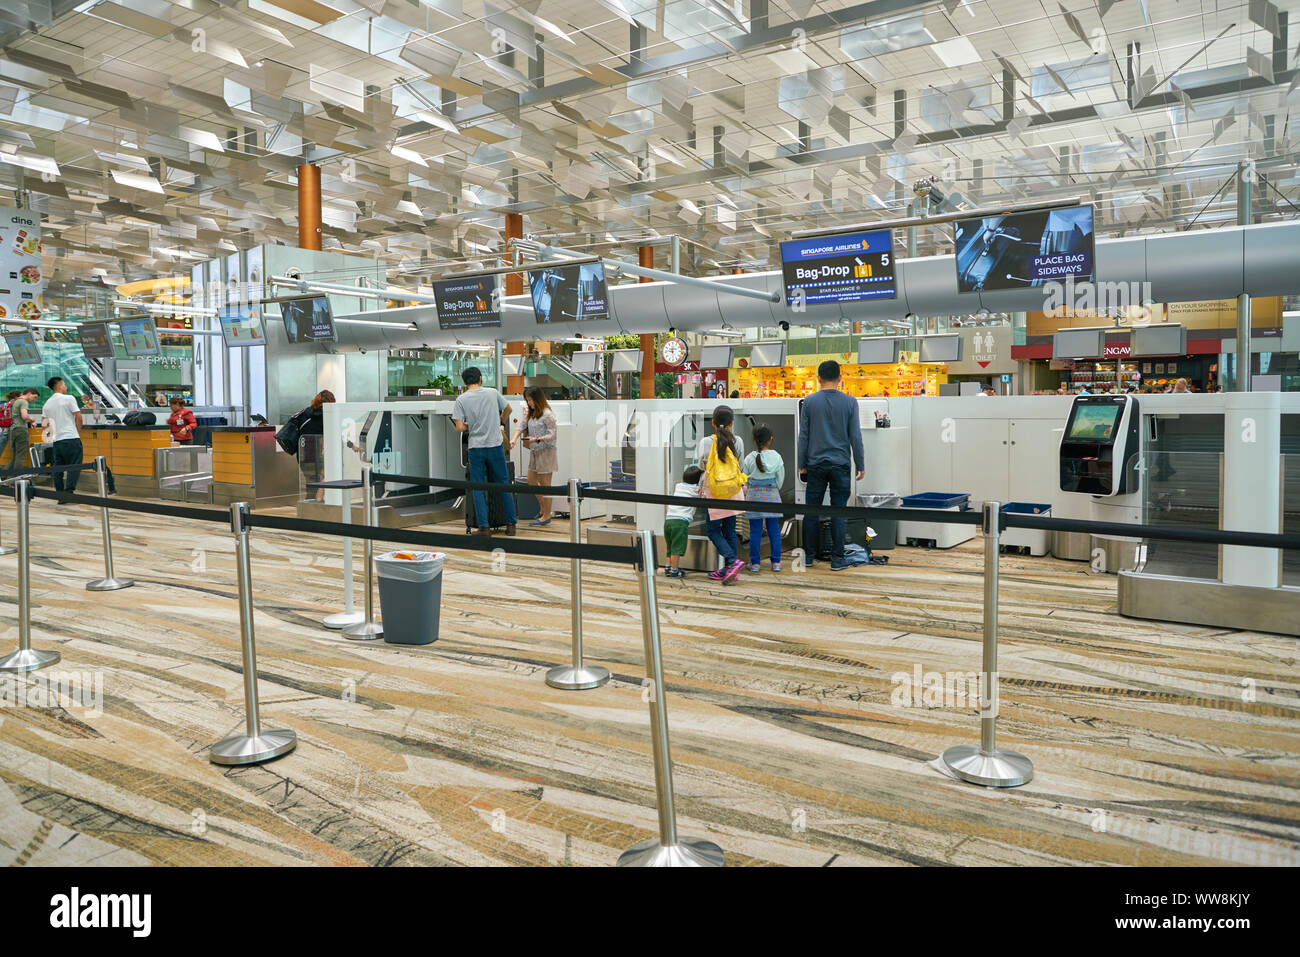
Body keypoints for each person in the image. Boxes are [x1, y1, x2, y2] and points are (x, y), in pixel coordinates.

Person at [798, 360, 864, 571]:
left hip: (815, 464)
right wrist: (860, 463)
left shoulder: (808, 402)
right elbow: (855, 436)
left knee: (811, 511)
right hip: (841, 465)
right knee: (839, 511)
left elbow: (804, 436)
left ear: (818, 379)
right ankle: (837, 559)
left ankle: (808, 557)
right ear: (840, 378)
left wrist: (801, 463)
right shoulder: (850, 402)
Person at [453, 366, 516, 536]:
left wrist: (470, 425)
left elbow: (459, 427)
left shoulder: (461, 399)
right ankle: (511, 525)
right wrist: (500, 421)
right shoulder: (492, 393)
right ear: (480, 378)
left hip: (476, 448)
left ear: (465, 382)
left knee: (478, 488)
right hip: (495, 446)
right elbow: (509, 409)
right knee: (504, 484)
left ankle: (484, 527)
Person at [699, 411, 747, 583]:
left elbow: (701, 467)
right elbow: (739, 466)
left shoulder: (706, 442)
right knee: (729, 531)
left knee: (712, 530)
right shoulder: (738, 441)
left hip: (714, 491)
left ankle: (732, 562)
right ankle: (729, 570)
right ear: (732, 423)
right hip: (732, 490)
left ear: (713, 423)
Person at [511, 386, 557, 527]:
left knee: (545, 484)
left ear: (537, 399)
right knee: (531, 481)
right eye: (527, 400)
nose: (529, 403)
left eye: (530, 400)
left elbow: (552, 435)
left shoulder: (547, 414)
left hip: (546, 452)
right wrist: (514, 439)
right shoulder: (531, 413)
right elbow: (521, 427)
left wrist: (537, 439)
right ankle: (544, 509)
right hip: (535, 452)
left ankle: (546, 515)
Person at [743, 424, 785, 572]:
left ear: (754, 439)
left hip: (754, 496)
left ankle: (755, 564)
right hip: (772, 495)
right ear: (771, 439)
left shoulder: (749, 458)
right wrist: (774, 490)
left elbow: (745, 479)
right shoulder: (777, 457)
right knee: (774, 530)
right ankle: (776, 563)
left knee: (755, 531)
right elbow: (780, 479)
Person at [289, 390, 334, 501]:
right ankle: (312, 508)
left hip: (302, 453)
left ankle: (310, 506)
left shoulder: (306, 412)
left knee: (311, 482)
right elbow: (336, 434)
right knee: (317, 483)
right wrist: (351, 445)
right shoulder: (325, 417)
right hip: (316, 456)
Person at [43, 376, 84, 496]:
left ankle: (60, 493)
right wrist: (77, 432)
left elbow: (45, 424)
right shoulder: (69, 398)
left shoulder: (47, 404)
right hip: (71, 438)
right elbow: (78, 416)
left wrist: (52, 435)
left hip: (57, 441)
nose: (66, 387)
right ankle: (69, 492)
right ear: (60, 385)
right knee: (74, 466)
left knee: (58, 468)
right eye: (65, 384)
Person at [663, 465, 703, 579]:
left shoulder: (678, 486)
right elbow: (702, 494)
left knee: (670, 547)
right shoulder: (695, 490)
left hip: (668, 520)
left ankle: (668, 568)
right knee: (677, 548)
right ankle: (675, 571)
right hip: (680, 522)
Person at [3, 387, 37, 469]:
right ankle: (17, 478)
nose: (34, 400)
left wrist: (30, 421)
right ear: (29, 393)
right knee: (20, 456)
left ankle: (3, 476)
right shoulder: (23, 402)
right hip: (21, 430)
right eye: (34, 397)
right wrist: (32, 419)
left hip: (13, 430)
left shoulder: (15, 402)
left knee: (15, 456)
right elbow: (24, 416)